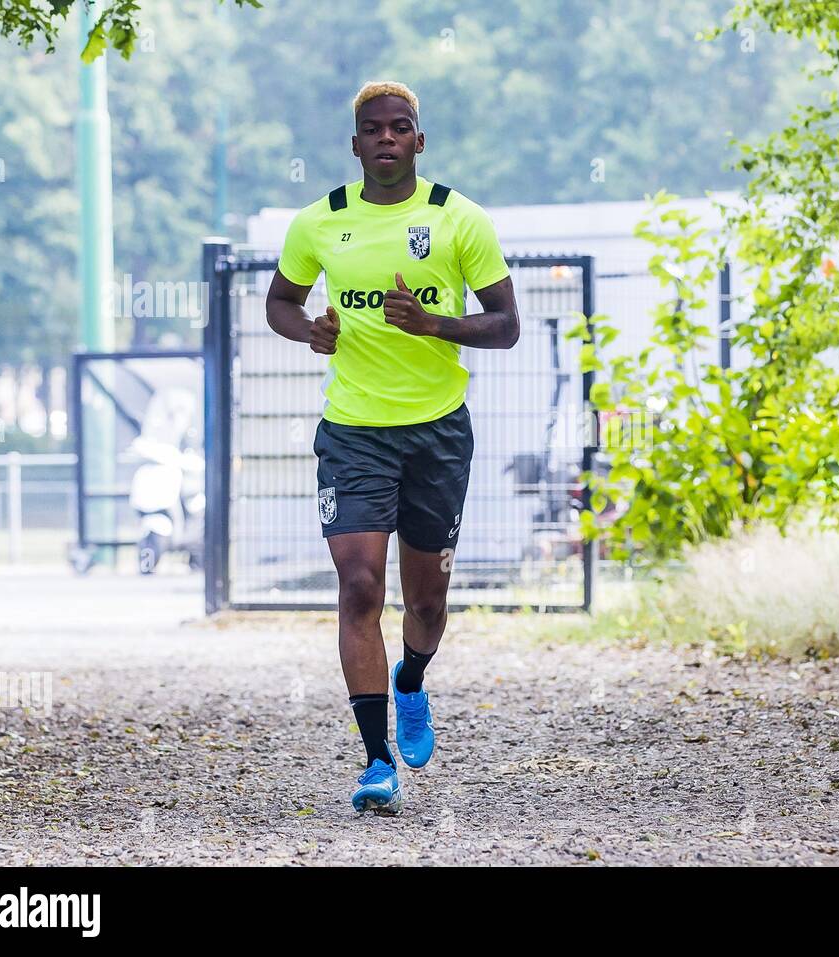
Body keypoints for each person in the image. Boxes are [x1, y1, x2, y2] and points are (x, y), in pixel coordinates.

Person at [265, 80, 520, 815]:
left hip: (437, 431)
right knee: (359, 587)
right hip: (353, 432)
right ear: (355, 145)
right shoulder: (320, 222)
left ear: (418, 140)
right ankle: (378, 760)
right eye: (372, 129)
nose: (385, 138)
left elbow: (506, 325)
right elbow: (281, 301)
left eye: (399, 127)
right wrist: (306, 329)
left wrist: (434, 325)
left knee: (428, 600)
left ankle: (412, 679)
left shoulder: (457, 219)